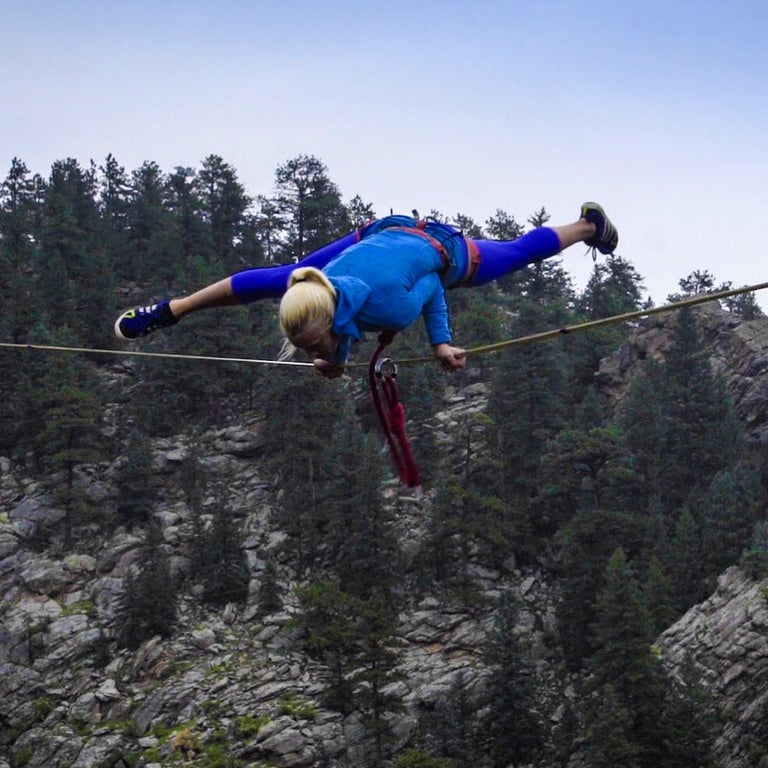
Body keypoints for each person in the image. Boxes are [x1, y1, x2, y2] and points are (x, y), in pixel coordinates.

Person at [114, 203, 618, 378]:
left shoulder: (394, 310)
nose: (308, 353)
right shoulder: (310, 286)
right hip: (375, 237)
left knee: (514, 253)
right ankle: (170, 311)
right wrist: (174, 310)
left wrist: (440, 342)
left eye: (312, 344)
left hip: (435, 250)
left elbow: (434, 288)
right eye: (308, 347)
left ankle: (588, 227)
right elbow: (243, 284)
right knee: (269, 278)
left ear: (332, 320)